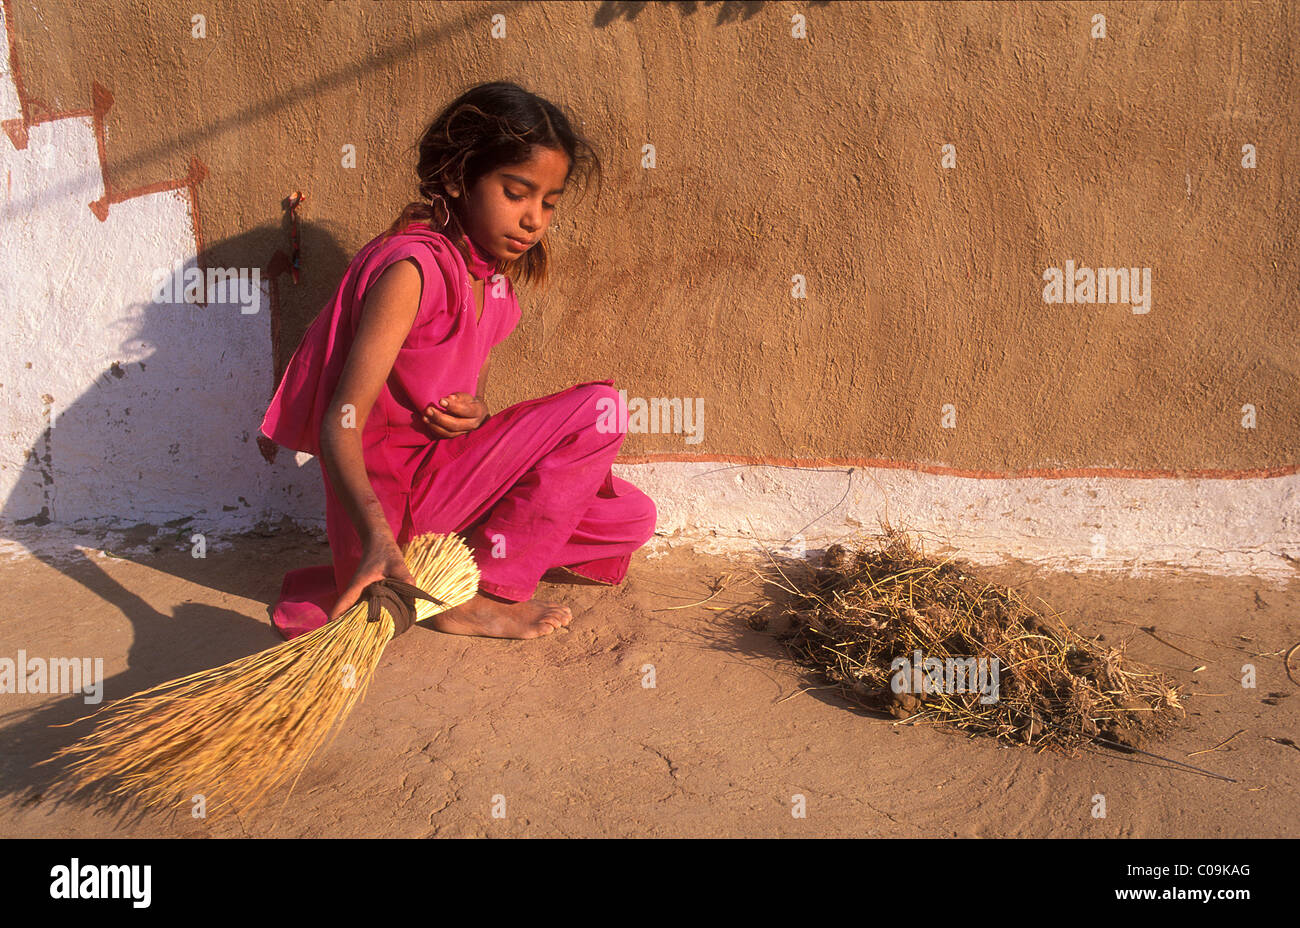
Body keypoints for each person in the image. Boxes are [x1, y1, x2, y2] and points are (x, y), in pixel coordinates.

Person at [258, 81, 657, 641]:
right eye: (516, 193)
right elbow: (338, 423)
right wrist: (376, 538)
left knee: (630, 517)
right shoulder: (412, 270)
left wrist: (477, 414)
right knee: (602, 409)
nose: (534, 219)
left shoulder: (493, 284)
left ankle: (447, 561)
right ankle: (476, 594)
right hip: (392, 512)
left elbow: (473, 404)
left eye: (548, 202)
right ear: (457, 177)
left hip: (443, 492)